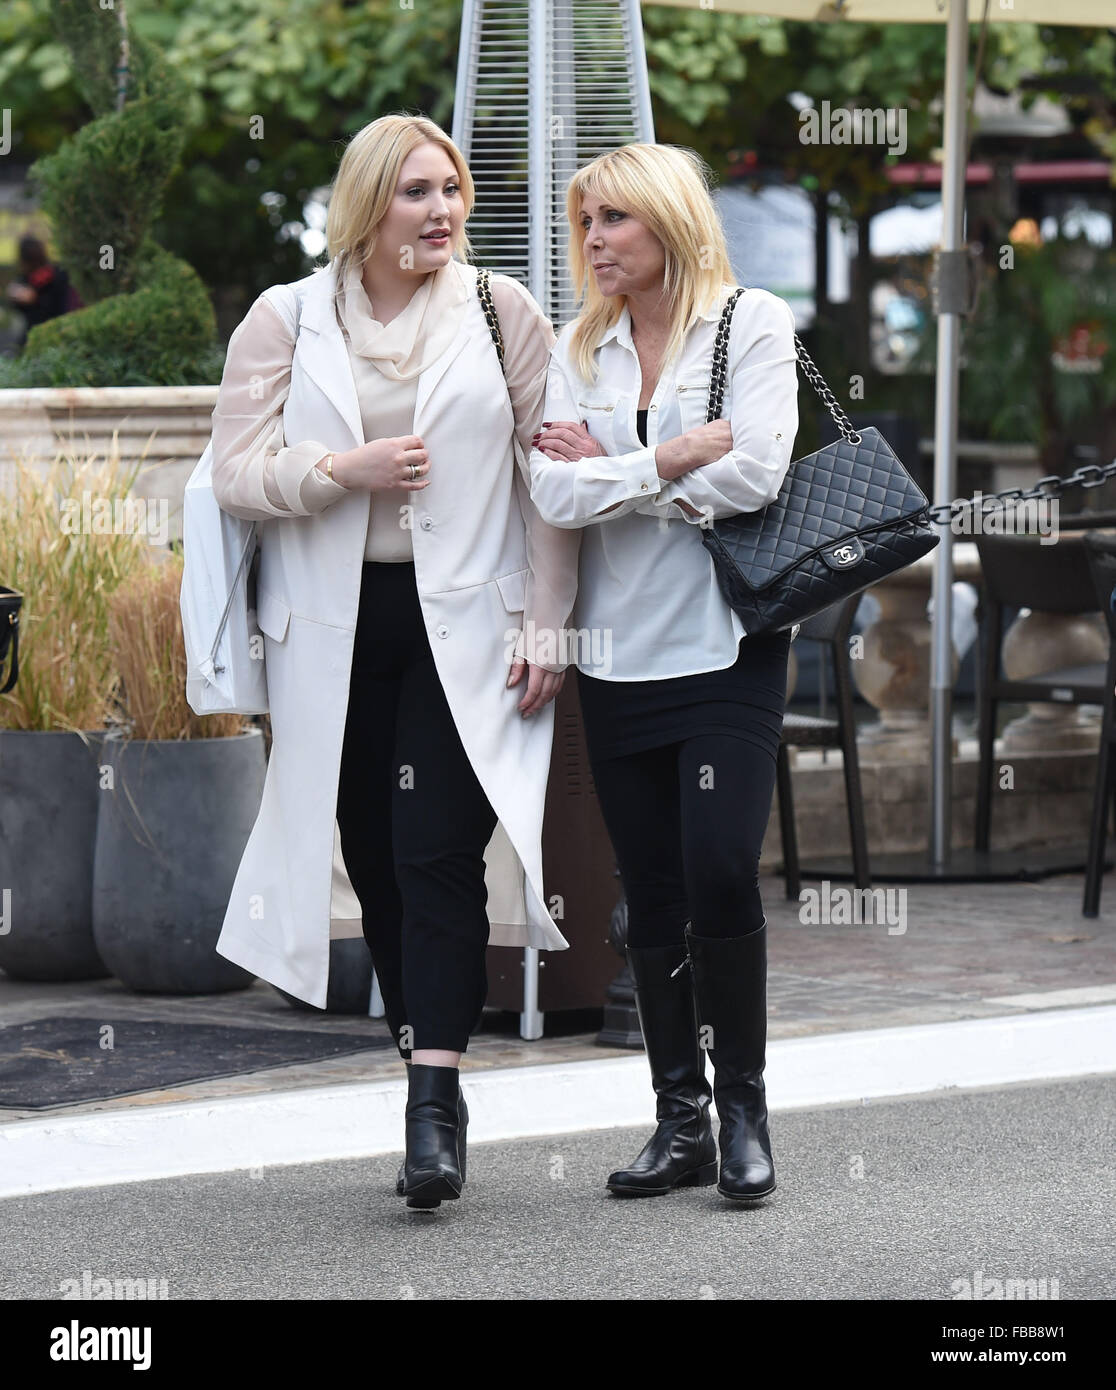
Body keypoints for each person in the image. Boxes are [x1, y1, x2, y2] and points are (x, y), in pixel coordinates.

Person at [209, 114, 579, 1210]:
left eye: (453, 191)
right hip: (335, 627)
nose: (444, 212)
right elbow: (234, 471)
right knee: (370, 848)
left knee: (435, 849)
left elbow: (547, 476)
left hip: (464, 624)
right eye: (419, 192)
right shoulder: (286, 318)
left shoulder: (499, 309)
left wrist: (549, 618)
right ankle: (423, 1053)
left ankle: (433, 1097)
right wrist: (339, 468)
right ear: (370, 206)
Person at [529, 143, 799, 1204]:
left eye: (614, 221)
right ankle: (678, 1117)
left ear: (671, 222)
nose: (594, 241)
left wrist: (613, 476)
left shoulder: (751, 324)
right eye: (585, 222)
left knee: (722, 868)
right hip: (619, 654)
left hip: (727, 642)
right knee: (650, 897)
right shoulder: (575, 346)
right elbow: (551, 500)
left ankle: (744, 1109)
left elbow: (760, 468)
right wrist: (670, 462)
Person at [5, 235, 76, 347]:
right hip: (36, 333)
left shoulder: (55, 274)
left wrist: (35, 299)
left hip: (55, 331)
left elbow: (58, 304)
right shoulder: (25, 279)